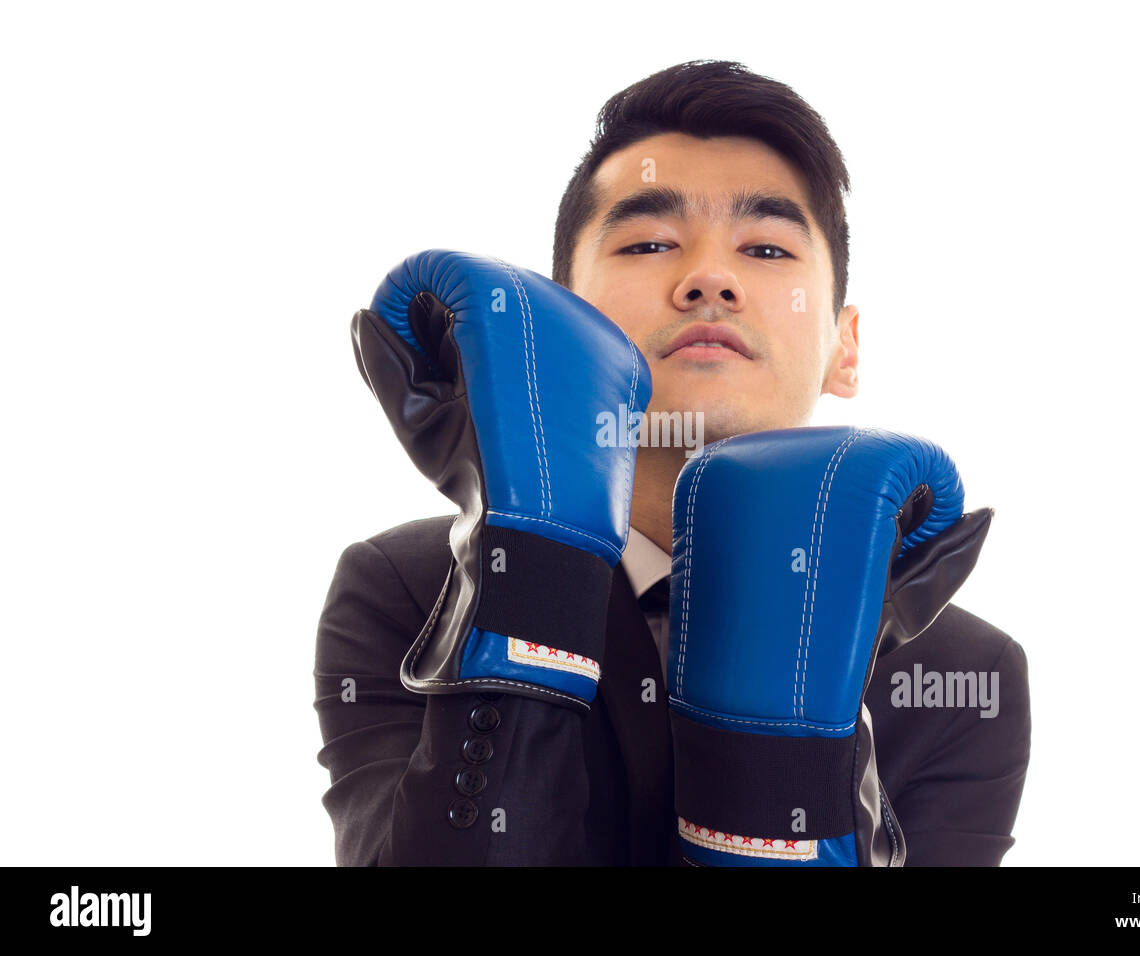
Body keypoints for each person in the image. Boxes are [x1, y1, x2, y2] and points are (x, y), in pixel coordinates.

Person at [314, 59, 1031, 866]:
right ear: (565, 317)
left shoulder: (970, 675)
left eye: (765, 248)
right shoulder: (407, 587)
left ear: (845, 347)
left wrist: (784, 753)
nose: (710, 280)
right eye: (650, 242)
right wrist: (532, 568)